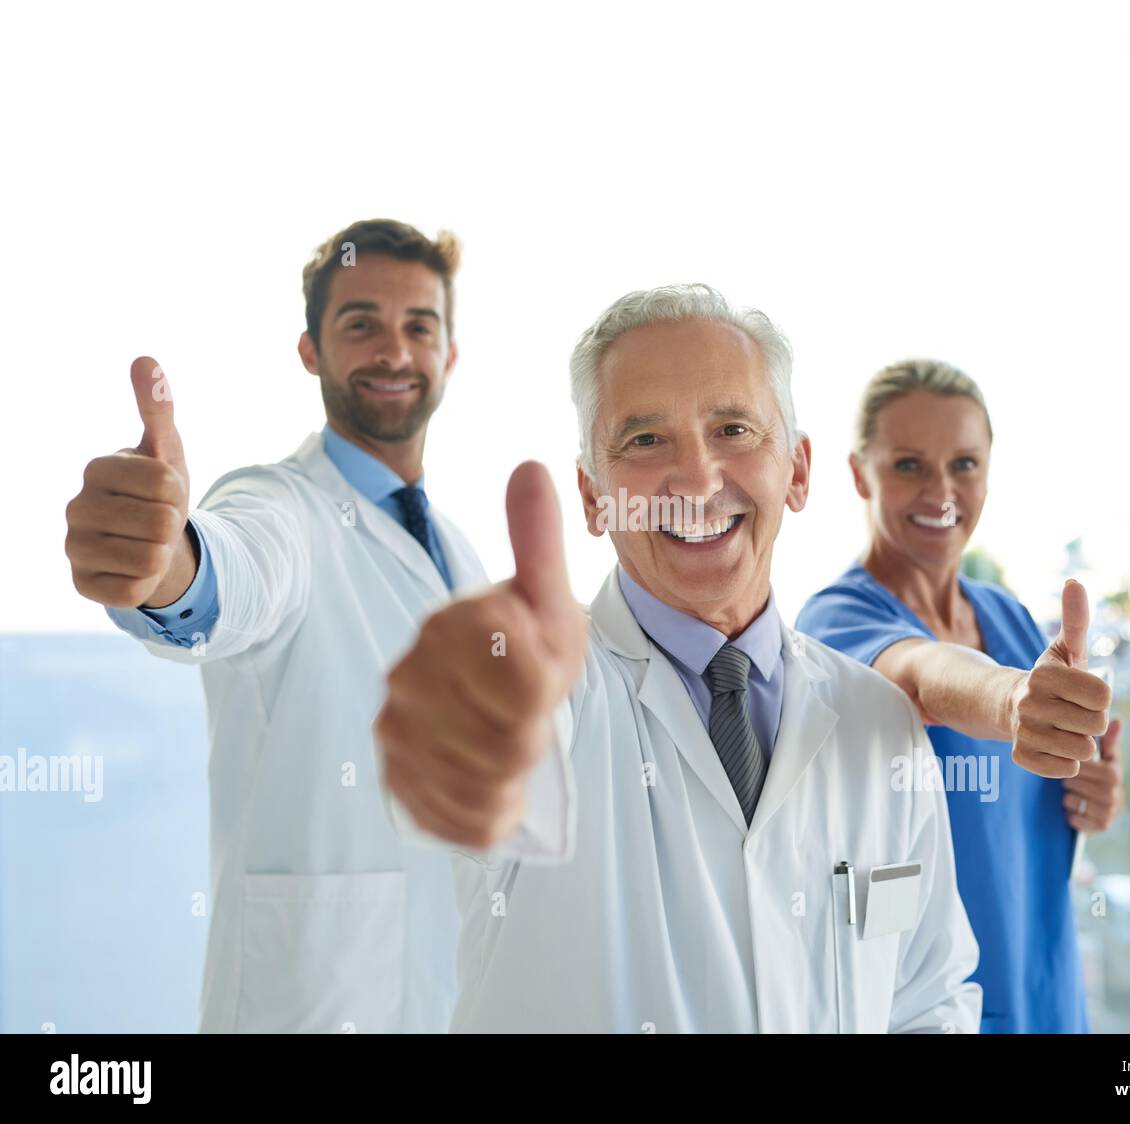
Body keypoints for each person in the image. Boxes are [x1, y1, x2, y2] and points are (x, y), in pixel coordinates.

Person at [377, 285, 981, 1032]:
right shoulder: (551, 701)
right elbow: (470, 771)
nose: (697, 481)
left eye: (732, 428)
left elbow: (929, 994)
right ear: (593, 497)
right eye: (645, 441)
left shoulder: (877, 720)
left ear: (796, 471)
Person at [63, 219, 486, 1032]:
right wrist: (165, 570)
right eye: (361, 323)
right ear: (311, 350)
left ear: (449, 355)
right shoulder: (277, 504)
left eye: (418, 326)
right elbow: (233, 569)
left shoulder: (460, 556)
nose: (394, 351)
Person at [795, 358, 1125, 1033]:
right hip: (932, 1012)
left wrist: (1090, 792)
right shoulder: (834, 622)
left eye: (965, 465)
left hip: (1047, 996)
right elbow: (921, 671)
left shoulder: (1009, 620)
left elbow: (1022, 818)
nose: (941, 491)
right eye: (909, 465)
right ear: (860, 473)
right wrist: (1010, 702)